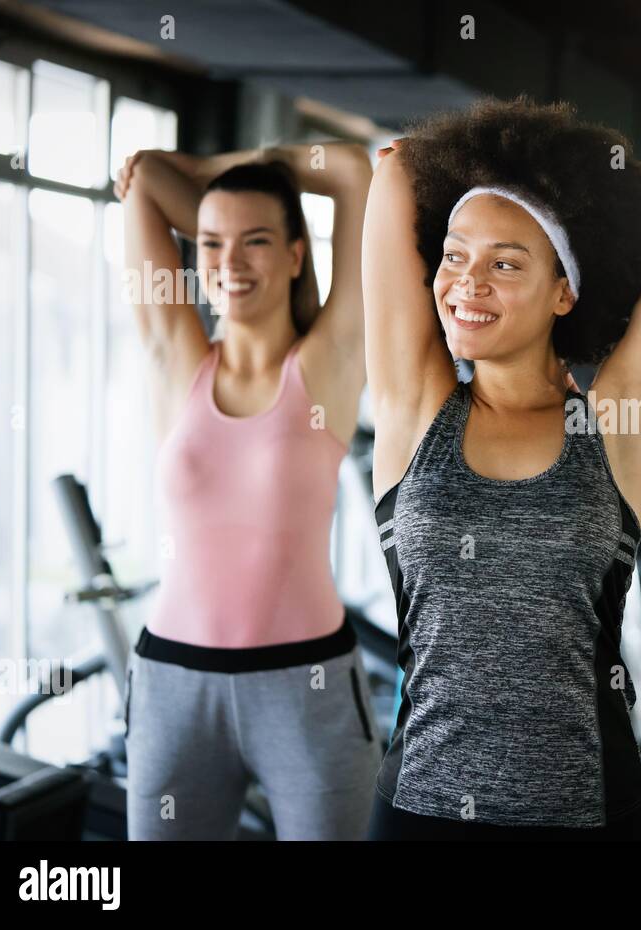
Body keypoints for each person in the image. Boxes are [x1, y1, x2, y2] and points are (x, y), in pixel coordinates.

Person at [362, 98, 641, 840]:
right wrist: (510, 180)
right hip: (420, 810)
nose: (469, 282)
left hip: (589, 811)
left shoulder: (617, 422)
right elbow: (397, 175)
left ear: (564, 290)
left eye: (506, 263)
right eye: (456, 255)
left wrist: (559, 185)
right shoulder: (416, 409)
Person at [116, 141, 380, 839]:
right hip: (173, 684)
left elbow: (354, 172)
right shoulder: (176, 361)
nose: (229, 264)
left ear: (296, 254)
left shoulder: (329, 360)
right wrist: (216, 187)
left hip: (309, 687)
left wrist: (215, 171)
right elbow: (143, 183)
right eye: (210, 243)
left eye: (255, 242)